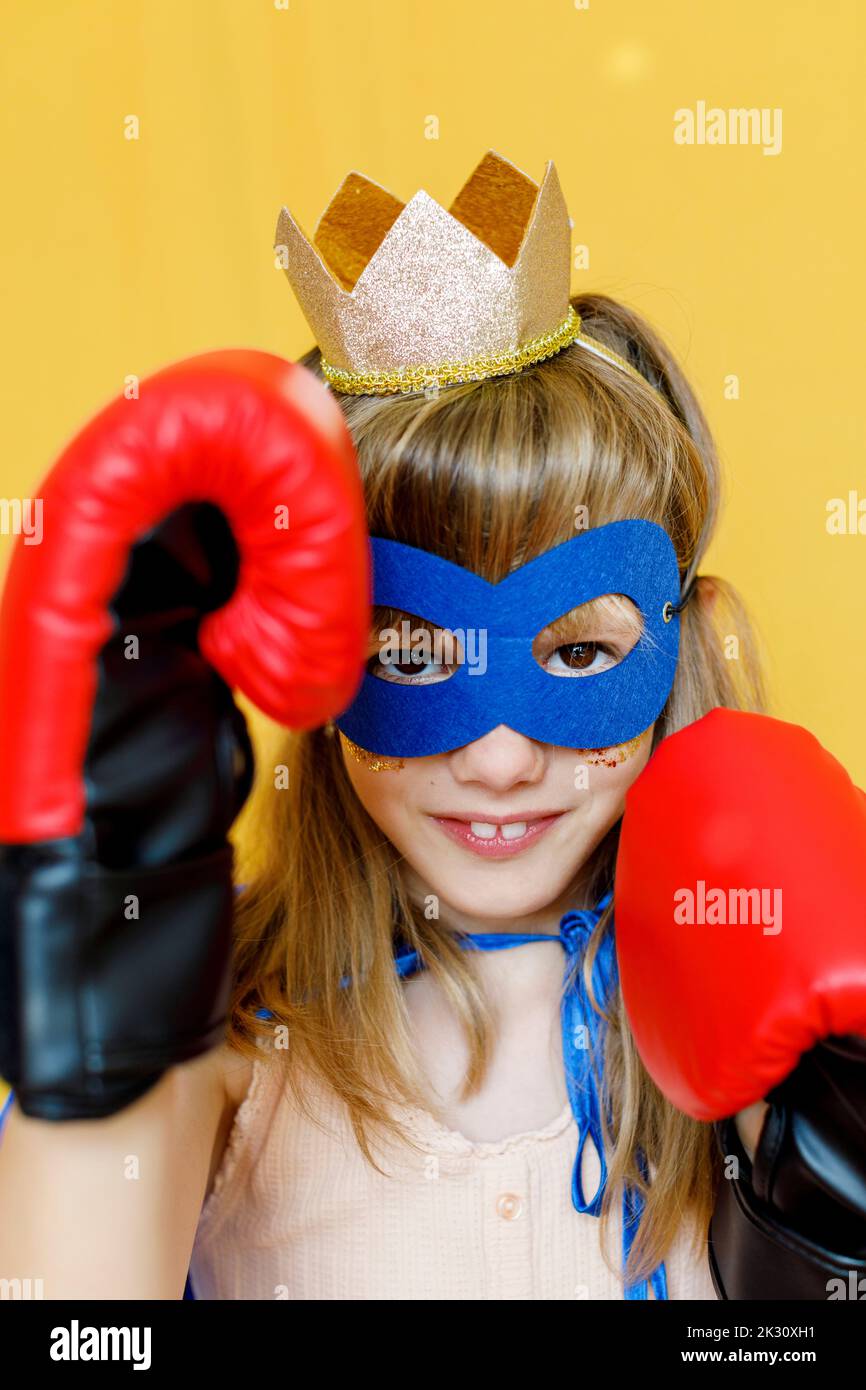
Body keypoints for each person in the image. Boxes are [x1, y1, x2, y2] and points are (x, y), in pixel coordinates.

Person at [0, 152, 863, 1302]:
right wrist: (107, 975)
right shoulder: (237, 1045)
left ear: (687, 634)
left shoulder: (754, 1014)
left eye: (577, 654)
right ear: (310, 662)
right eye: (409, 656)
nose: (498, 760)